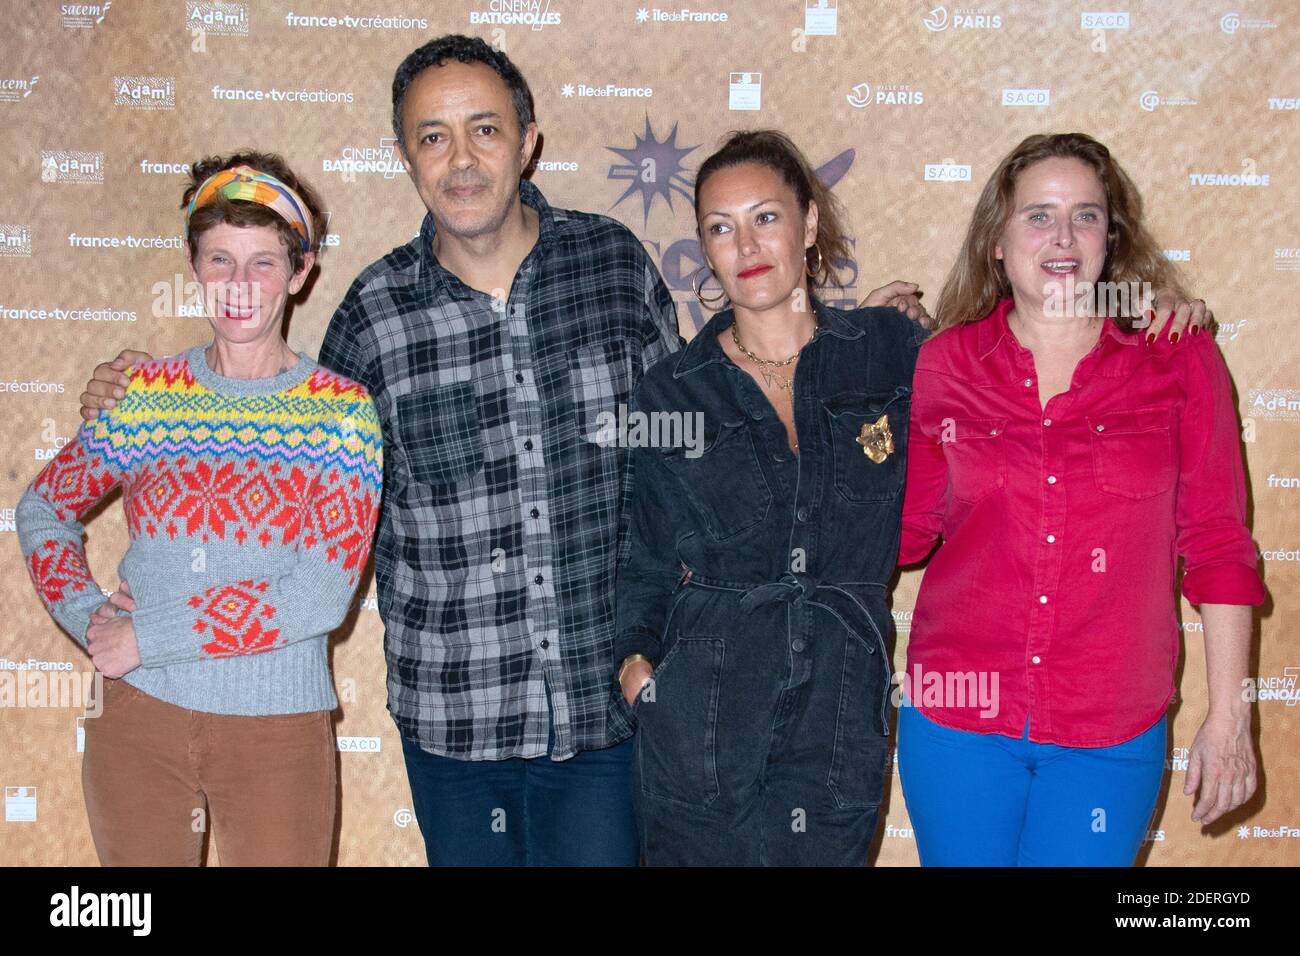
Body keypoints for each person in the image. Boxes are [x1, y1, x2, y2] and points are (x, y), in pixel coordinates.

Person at [75, 37, 937, 866]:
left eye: (485, 129)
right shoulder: (373, 316)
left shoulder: (614, 267)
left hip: (607, 715)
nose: (461, 159)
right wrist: (146, 401)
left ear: (526, 142)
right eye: (433, 136)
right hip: (456, 720)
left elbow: (702, 434)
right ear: (405, 157)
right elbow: (282, 453)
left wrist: (871, 337)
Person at [896, 132, 1264, 866]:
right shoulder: (943, 364)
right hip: (958, 722)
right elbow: (901, 538)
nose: (1063, 237)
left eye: (1086, 216)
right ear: (996, 242)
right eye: (1038, 216)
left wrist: (1231, 717)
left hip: (1109, 729)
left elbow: (1219, 546)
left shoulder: (1177, 356)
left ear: (1110, 236)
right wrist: (863, 348)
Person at [18, 152, 383, 866]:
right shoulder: (146, 397)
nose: (239, 286)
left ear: (300, 272)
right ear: (193, 266)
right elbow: (41, 511)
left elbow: (318, 596)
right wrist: (89, 616)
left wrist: (149, 634)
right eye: (221, 259)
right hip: (136, 721)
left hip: (278, 730)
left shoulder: (342, 413)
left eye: (263, 263)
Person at [613, 129, 929, 865]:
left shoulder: (884, 352)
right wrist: (638, 674)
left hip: (839, 717)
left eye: (766, 217)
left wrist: (1143, 313)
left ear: (809, 223)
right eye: (720, 228)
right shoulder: (671, 390)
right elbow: (647, 561)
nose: (746, 245)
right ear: (703, 248)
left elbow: (1011, 347)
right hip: (701, 724)